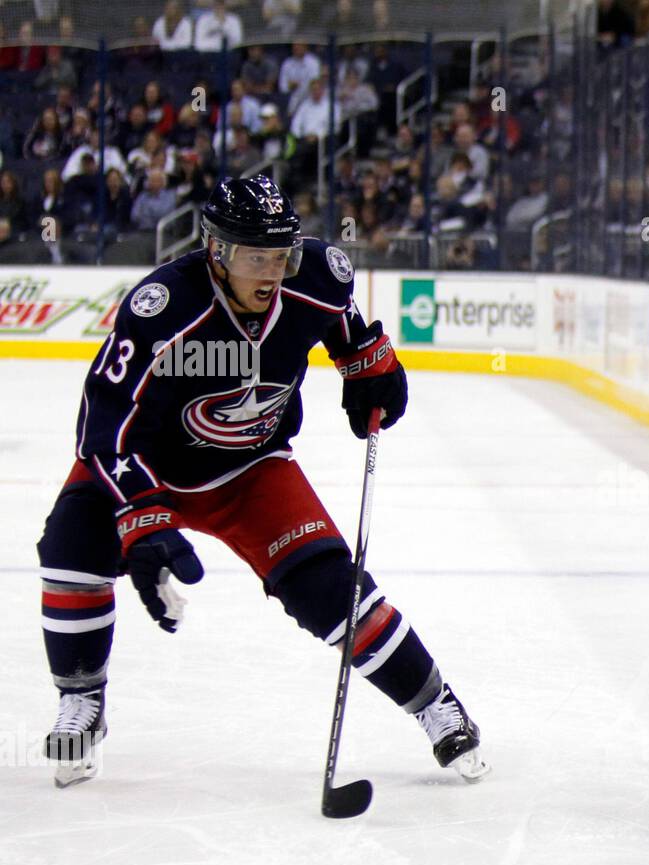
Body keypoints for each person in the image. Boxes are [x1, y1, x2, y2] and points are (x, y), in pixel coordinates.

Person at [35, 175, 489, 790]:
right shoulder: (164, 307)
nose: (271, 271)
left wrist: (370, 368)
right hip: (150, 469)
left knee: (331, 589)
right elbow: (104, 426)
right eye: (255, 257)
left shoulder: (318, 276)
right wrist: (142, 519)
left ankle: (435, 703)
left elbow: (349, 333)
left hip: (251, 467)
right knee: (70, 549)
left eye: (280, 255)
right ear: (216, 252)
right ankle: (82, 699)